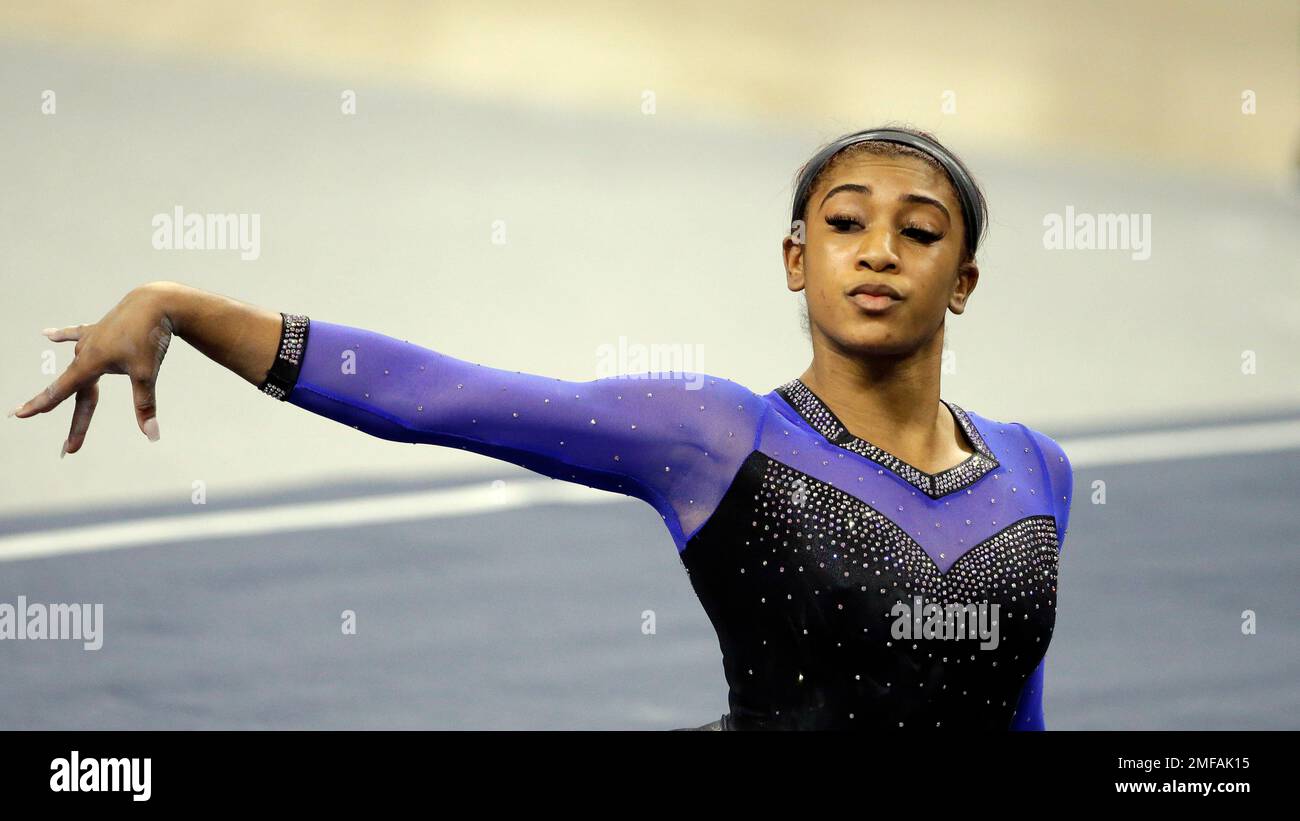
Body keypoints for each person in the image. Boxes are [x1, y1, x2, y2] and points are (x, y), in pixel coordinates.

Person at [10, 126, 1073, 730]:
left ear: (963, 280)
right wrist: (183, 308)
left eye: (917, 232)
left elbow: (1013, 703)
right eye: (845, 223)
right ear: (798, 260)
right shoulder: (717, 437)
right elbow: (439, 395)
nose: (878, 250)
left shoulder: (1035, 470)